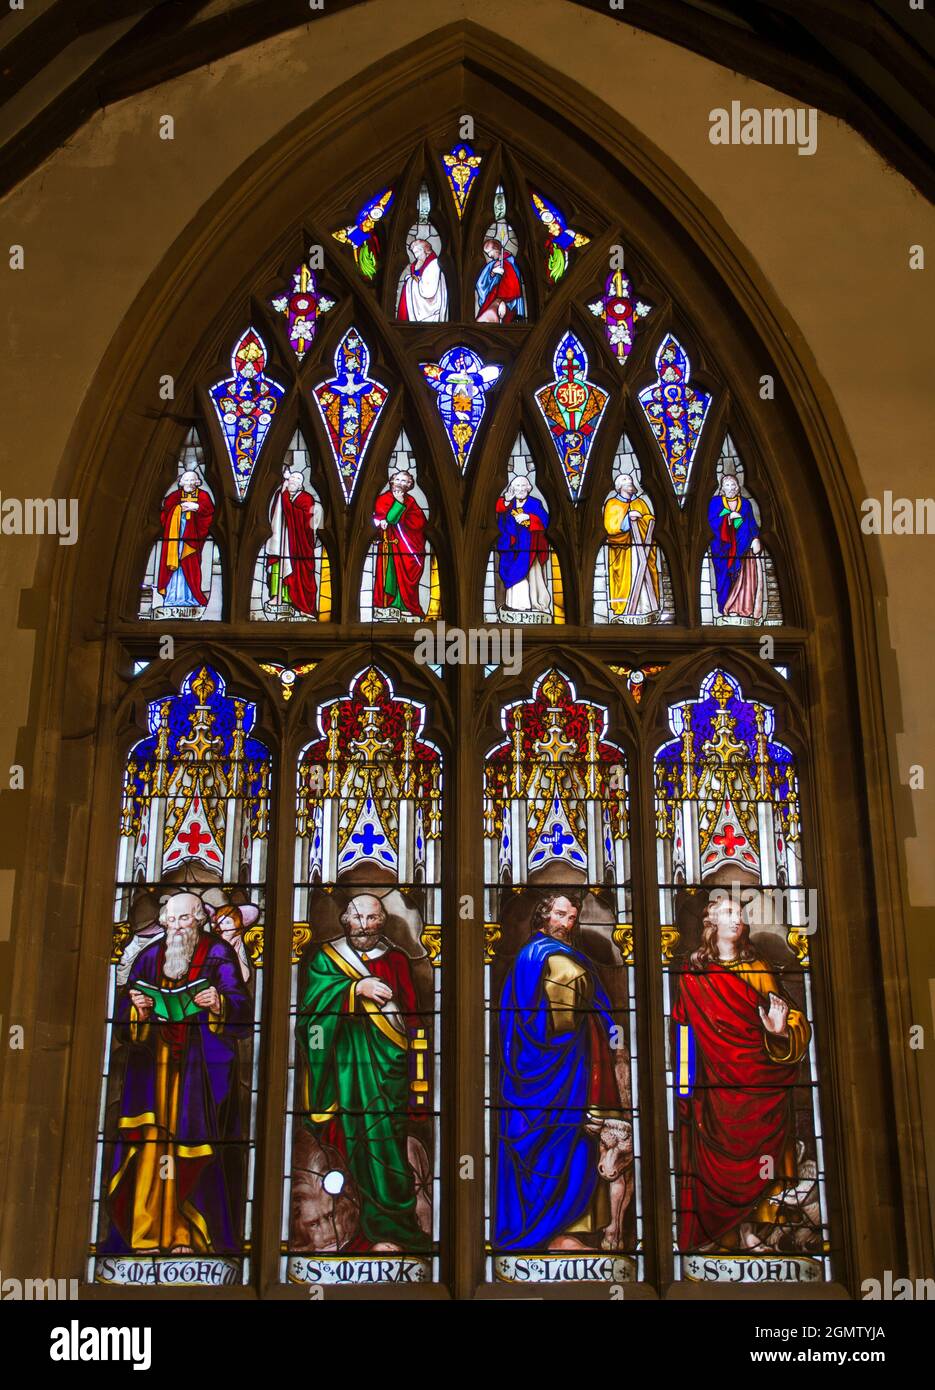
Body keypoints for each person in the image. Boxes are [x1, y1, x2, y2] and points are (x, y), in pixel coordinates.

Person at [102, 892, 252, 1255]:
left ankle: (189, 1234)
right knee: (150, 1147)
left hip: (199, 1072)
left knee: (192, 1148)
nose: (176, 927)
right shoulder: (150, 957)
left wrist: (218, 1004)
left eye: (184, 919)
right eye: (171, 920)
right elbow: (124, 1014)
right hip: (152, 1072)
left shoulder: (218, 955)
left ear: (199, 920)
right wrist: (136, 1009)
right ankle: (146, 1232)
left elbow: (242, 1010)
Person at [672, 894, 811, 1252]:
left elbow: (791, 1019)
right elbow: (684, 1031)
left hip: (757, 1085)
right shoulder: (693, 973)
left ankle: (752, 1228)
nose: (738, 920)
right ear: (711, 922)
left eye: (741, 914)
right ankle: (717, 1234)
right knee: (710, 1159)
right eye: (729, 912)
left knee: (760, 1158)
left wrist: (779, 1031)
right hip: (714, 1087)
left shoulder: (757, 969)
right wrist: (685, 1086)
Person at [295, 894, 428, 1251]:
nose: (364, 926)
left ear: (382, 921)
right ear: (344, 920)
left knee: (389, 1152)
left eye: (372, 918)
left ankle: (393, 1227)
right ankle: (350, 1232)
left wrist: (418, 1080)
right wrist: (355, 990)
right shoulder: (326, 959)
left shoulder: (397, 960)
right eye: (357, 918)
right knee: (347, 1146)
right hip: (342, 1079)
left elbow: (415, 1021)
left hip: (389, 1077)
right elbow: (309, 1021)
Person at [495, 894, 622, 1250]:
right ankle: (539, 1231)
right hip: (547, 1072)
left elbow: (587, 1013)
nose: (568, 922)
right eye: (561, 914)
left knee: (580, 1142)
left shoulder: (568, 958)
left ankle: (572, 1230)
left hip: (575, 1072)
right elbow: (541, 1025)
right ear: (543, 916)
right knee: (550, 1140)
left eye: (573, 917)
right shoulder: (536, 956)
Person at [155, 469, 214, 612]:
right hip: (174, 541)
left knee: (190, 566)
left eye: (192, 480)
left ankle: (192, 597)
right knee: (175, 568)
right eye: (186, 480)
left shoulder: (203, 496)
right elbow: (164, 515)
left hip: (191, 542)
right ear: (181, 482)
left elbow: (210, 515)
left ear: (197, 482)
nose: (189, 483)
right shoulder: (174, 497)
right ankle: (171, 598)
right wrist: (178, 510)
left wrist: (197, 507)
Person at [266, 469, 322, 616]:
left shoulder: (306, 498)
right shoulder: (280, 496)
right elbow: (276, 515)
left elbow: (300, 517)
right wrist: (283, 495)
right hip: (281, 542)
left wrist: (284, 496)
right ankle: (277, 597)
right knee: (278, 567)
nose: (292, 482)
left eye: (296, 480)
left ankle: (294, 601)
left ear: (301, 484)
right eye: (290, 480)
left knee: (298, 571)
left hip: (298, 545)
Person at [603, 474, 660, 619]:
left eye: (630, 481)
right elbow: (610, 528)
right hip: (624, 551)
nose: (629, 483)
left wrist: (641, 517)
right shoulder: (612, 504)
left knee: (644, 571)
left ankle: (647, 608)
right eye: (625, 481)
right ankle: (626, 610)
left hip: (642, 546)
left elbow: (650, 520)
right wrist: (628, 519)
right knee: (628, 576)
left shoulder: (640, 503)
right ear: (619, 487)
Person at [707, 474, 764, 620]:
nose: (731, 488)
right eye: (727, 485)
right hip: (722, 548)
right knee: (724, 580)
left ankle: (739, 607)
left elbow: (751, 523)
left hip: (742, 547)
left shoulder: (745, 504)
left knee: (742, 575)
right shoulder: (715, 502)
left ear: (738, 487)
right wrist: (727, 519)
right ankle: (724, 609)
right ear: (722, 488)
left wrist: (756, 539)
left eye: (734, 485)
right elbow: (711, 523)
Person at [372, 470, 427, 618]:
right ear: (391, 481)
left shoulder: (411, 501)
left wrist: (400, 505)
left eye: (405, 481)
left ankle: (405, 605)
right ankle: (388, 605)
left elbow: (420, 522)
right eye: (398, 480)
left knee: (408, 575)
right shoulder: (383, 499)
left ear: (409, 485)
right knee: (390, 575)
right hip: (389, 546)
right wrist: (398, 504)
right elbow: (389, 519)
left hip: (408, 546)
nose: (400, 483)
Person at [496, 476, 550, 614]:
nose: (519, 489)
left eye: (522, 486)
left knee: (533, 575)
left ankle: (536, 604)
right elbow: (496, 511)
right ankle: (514, 605)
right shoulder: (508, 503)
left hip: (530, 547)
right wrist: (507, 500)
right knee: (513, 573)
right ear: (512, 489)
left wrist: (529, 518)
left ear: (528, 488)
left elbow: (545, 521)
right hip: (511, 547)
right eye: (516, 486)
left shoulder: (534, 503)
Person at [397, 237, 448, 322]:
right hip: (421, 306)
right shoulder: (419, 264)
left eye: (417, 252)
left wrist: (411, 281)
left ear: (425, 250)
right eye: (414, 253)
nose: (416, 256)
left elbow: (428, 292)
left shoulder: (433, 265)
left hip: (430, 312)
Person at [475, 236, 524, 322]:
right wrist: (492, 273)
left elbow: (513, 283)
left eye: (489, 252)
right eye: (487, 254)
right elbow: (481, 283)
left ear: (497, 249)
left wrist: (502, 300)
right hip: (495, 296)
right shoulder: (492, 264)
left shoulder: (510, 261)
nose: (489, 255)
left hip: (506, 298)